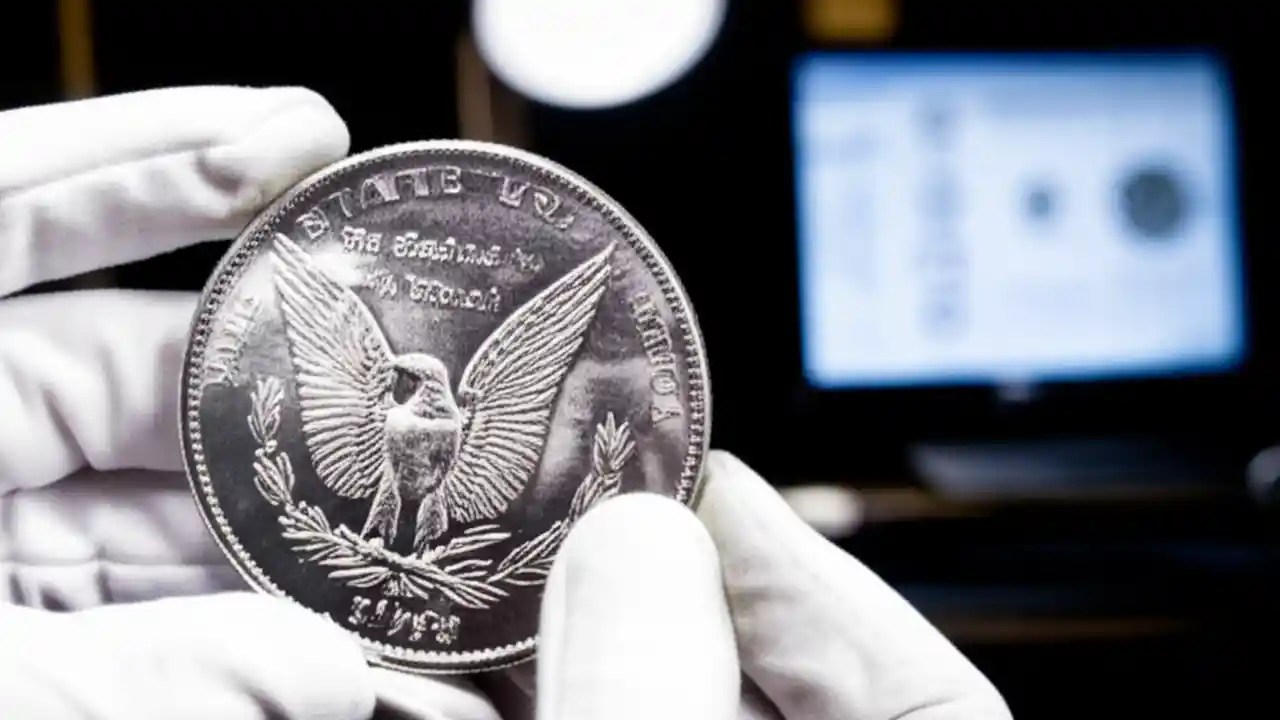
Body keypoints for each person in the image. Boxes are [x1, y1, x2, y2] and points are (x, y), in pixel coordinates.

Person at [0, 85, 1012, 720]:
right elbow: (343, 345)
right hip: (374, 526)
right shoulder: (385, 396)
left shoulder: (470, 403)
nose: (406, 388)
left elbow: (530, 349)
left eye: (415, 383)